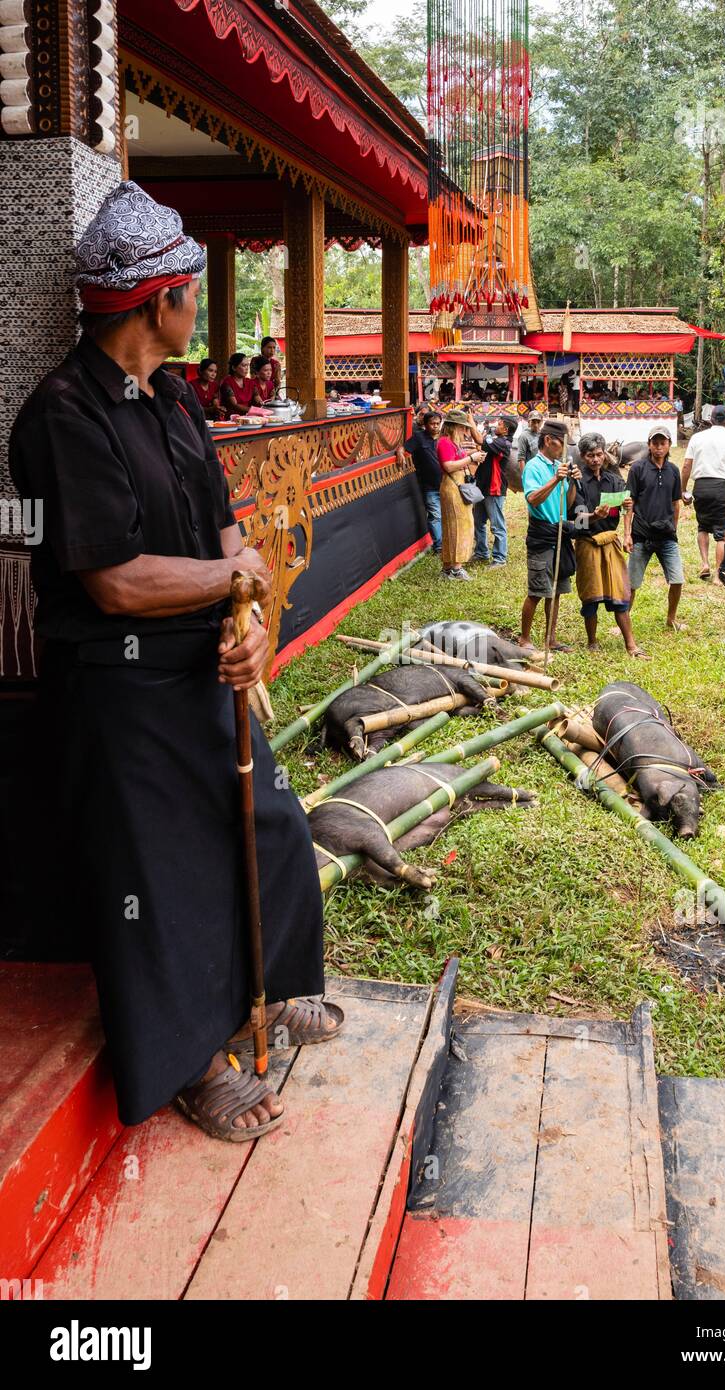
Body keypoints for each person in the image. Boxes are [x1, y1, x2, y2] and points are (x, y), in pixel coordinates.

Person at [8, 181, 339, 1141]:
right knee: (162, 873)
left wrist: (254, 625)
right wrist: (234, 577)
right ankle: (194, 1058)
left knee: (272, 823)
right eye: (193, 290)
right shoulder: (64, 415)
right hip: (117, 683)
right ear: (161, 302)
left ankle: (275, 988)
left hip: (203, 663)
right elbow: (113, 582)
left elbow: (232, 535)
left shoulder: (174, 398)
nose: (198, 307)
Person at [573, 433, 645, 658]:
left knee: (620, 594)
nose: (595, 459)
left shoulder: (614, 479)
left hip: (611, 542)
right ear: (583, 457)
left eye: (599, 454)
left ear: (605, 454)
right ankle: (592, 642)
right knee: (590, 595)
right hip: (587, 543)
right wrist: (594, 516)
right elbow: (577, 521)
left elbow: (626, 508)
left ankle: (631, 645)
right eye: (590, 455)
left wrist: (627, 524)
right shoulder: (577, 482)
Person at [520, 419, 578, 652]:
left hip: (559, 533)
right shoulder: (534, 467)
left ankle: (550, 638)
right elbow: (533, 498)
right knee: (537, 591)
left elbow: (568, 502)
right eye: (561, 444)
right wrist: (556, 479)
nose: (564, 449)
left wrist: (572, 481)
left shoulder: (558, 466)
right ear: (548, 440)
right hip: (541, 534)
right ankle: (524, 638)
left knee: (555, 591)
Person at [623, 425, 686, 631]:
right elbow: (629, 503)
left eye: (663, 443)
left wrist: (673, 529)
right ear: (649, 445)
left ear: (669, 445)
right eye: (655, 443)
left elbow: (676, 503)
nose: (659, 447)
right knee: (631, 584)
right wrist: (627, 534)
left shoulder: (674, 471)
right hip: (641, 534)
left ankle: (671, 618)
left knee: (677, 580)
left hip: (667, 536)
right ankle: (624, 621)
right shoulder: (638, 468)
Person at [681, 405, 725, 581]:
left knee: (702, 526)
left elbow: (686, 465)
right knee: (721, 533)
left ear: (710, 419)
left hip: (700, 486)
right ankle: (717, 575)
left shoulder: (697, 438)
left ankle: (705, 564)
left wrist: (683, 489)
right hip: (722, 487)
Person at [436, 408, 484, 581]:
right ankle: (456, 568)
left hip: (457, 485)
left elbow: (457, 459)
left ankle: (449, 567)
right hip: (452, 486)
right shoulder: (444, 442)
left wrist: (473, 455)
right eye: (463, 427)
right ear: (454, 426)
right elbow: (448, 465)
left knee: (456, 525)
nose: (465, 431)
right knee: (459, 525)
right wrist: (472, 459)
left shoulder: (452, 442)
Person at [471, 415, 512, 567]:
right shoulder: (497, 441)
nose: (496, 425)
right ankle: (481, 552)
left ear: (506, 429)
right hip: (483, 486)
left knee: (497, 525)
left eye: (500, 424)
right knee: (479, 521)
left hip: (494, 489)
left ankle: (500, 558)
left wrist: (470, 421)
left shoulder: (504, 443)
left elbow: (480, 441)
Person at [403, 408, 443, 556]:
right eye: (432, 424)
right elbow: (404, 448)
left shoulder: (443, 438)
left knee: (444, 515)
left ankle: (444, 542)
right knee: (435, 516)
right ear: (425, 424)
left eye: (438, 423)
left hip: (446, 484)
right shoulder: (419, 438)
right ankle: (439, 546)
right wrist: (401, 454)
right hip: (429, 486)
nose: (436, 426)